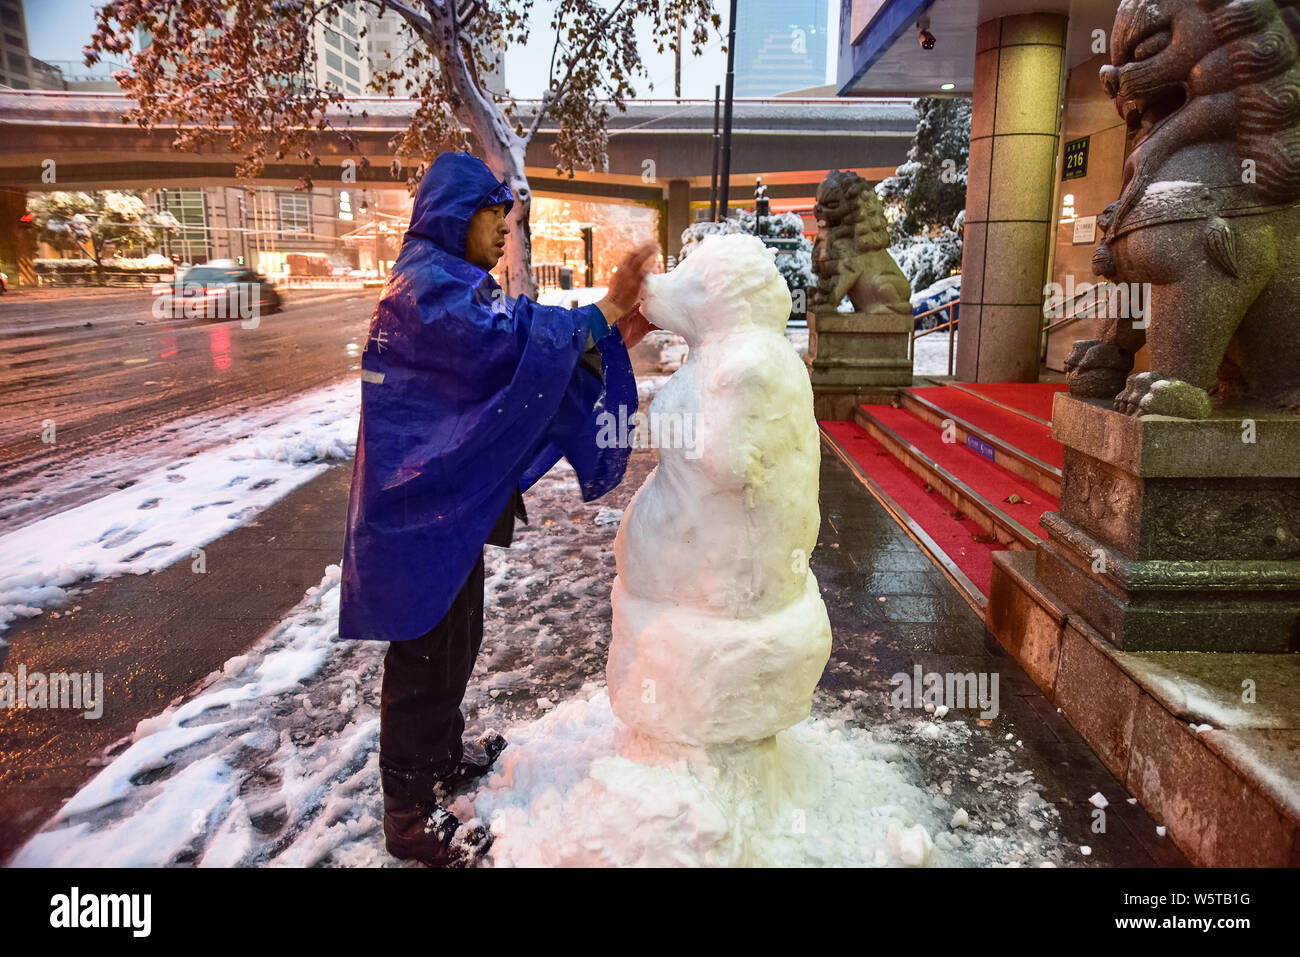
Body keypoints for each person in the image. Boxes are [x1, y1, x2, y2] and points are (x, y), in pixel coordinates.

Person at [339, 151, 657, 866]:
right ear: (460, 211)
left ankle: (443, 758)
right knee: (424, 653)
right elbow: (511, 344)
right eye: (496, 215)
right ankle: (409, 813)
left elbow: (516, 356)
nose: (504, 233)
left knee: (458, 634)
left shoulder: (451, 282)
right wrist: (604, 309)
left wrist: (606, 335)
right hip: (417, 514)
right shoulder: (425, 289)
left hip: (442, 510)